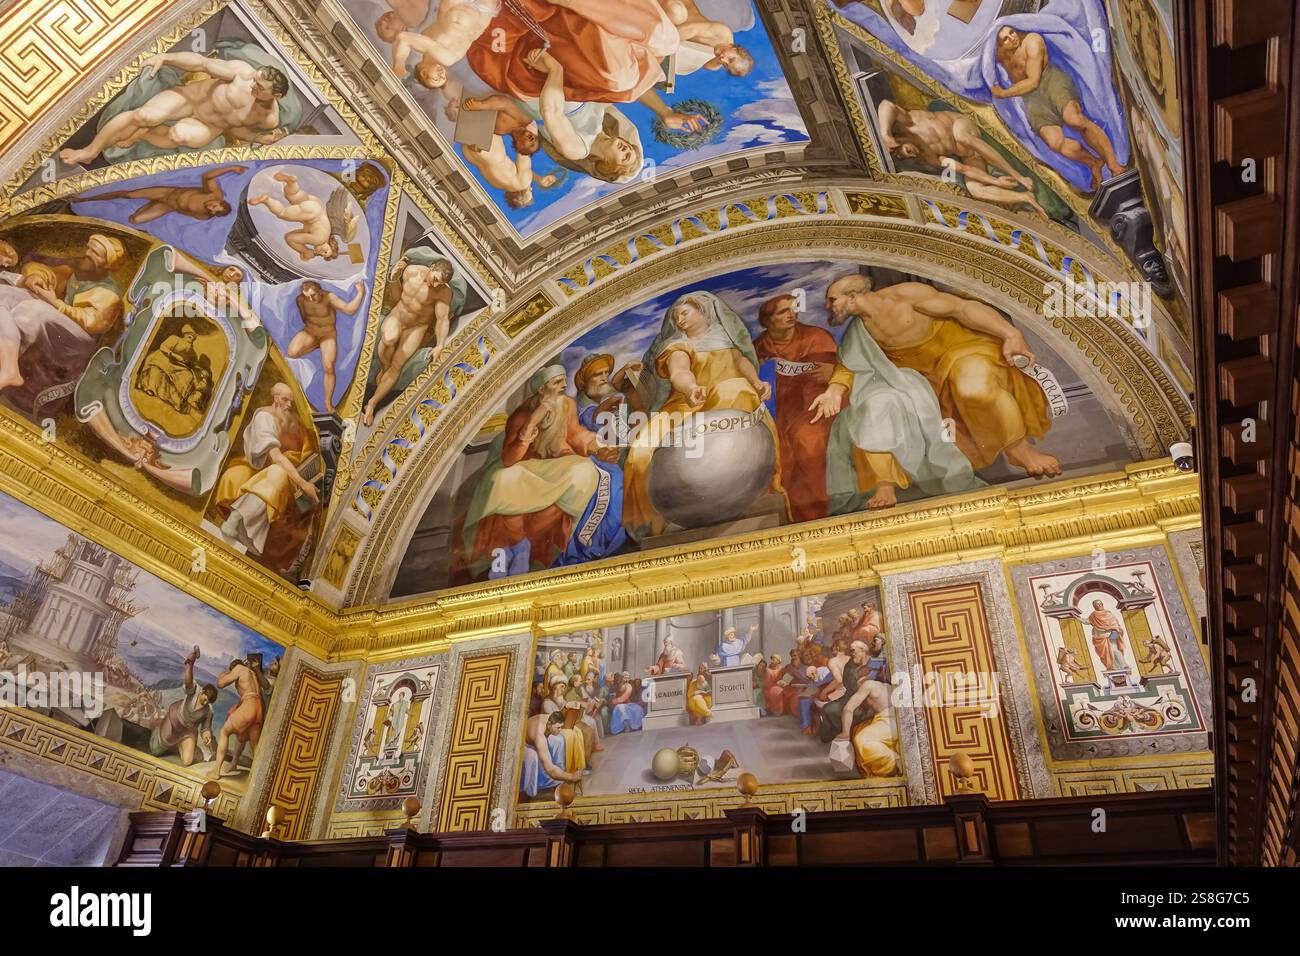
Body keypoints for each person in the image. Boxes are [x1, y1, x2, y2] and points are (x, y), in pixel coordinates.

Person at [812, 274, 1055, 500]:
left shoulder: (906, 296)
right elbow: (852, 363)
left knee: (973, 389)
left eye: (832, 299)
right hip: (920, 378)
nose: (828, 306)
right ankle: (890, 483)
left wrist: (1010, 334)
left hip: (958, 350)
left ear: (853, 297)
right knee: (887, 409)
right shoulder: (860, 330)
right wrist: (833, 391)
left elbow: (963, 309)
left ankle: (1020, 451)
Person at [623, 291, 781, 536]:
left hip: (725, 403)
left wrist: (757, 382)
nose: (679, 320)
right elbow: (679, 371)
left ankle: (744, 486)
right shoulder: (677, 345)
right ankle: (653, 522)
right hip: (684, 406)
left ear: (703, 310)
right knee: (642, 450)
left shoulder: (725, 339)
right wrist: (691, 387)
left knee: (735, 388)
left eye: (684, 313)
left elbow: (741, 362)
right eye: (675, 317)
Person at [457, 365, 622, 578]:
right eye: (557, 382)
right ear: (542, 390)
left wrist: (598, 446)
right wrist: (530, 426)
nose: (564, 386)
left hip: (559, 465)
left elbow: (576, 434)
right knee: (501, 479)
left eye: (564, 380)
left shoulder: (567, 405)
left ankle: (557, 544)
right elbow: (509, 458)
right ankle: (511, 550)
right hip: (526, 465)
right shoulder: (521, 414)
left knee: (585, 470)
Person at [59, 52, 288, 165]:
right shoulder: (243, 74)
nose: (253, 86)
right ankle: (90, 151)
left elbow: (237, 130)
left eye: (260, 87)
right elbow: (201, 62)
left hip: (209, 125)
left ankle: (143, 135)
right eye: (256, 80)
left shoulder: (268, 120)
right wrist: (165, 58)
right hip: (191, 100)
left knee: (180, 133)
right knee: (144, 115)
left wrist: (258, 139)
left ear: (275, 95)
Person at [992, 25, 1127, 190]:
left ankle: (1114, 165)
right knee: (1055, 143)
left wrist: (1004, 93)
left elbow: (1034, 80)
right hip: (1032, 99)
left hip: (1051, 81)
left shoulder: (1032, 40)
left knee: (1075, 119)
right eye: (1005, 38)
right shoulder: (1001, 56)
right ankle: (1094, 163)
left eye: (1011, 32)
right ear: (1000, 45)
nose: (1012, 38)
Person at [0, 234, 124, 402]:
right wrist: (37, 277)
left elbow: (91, 322)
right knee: (4, 294)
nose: (87, 253)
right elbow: (50, 275)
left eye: (95, 253)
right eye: (89, 248)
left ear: (107, 262)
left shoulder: (110, 292)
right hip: (56, 317)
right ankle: (8, 366)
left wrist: (55, 302)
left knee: (32, 310)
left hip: (79, 339)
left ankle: (9, 369)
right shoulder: (77, 270)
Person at [877, 100, 1047, 217]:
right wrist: (995, 181)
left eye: (907, 151)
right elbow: (963, 168)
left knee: (962, 137)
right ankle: (1025, 197)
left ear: (899, 141)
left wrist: (885, 134)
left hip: (961, 125)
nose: (914, 154)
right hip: (969, 154)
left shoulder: (909, 122)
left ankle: (1017, 175)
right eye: (909, 156)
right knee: (975, 189)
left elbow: (886, 104)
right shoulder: (929, 157)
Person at [753, 293, 837, 521]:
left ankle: (816, 513)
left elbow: (828, 373)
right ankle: (790, 515)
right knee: (772, 450)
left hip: (811, 403)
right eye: (783, 312)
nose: (791, 315)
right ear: (768, 320)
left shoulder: (815, 336)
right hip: (777, 408)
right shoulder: (759, 346)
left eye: (792, 309)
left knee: (808, 441)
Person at [215, 382, 320, 563]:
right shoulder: (264, 417)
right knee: (277, 473)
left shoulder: (288, 420)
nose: (288, 405)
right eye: (285, 400)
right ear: (275, 398)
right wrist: (303, 484)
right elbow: (276, 456)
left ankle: (247, 531)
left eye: (291, 402)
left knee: (280, 476)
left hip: (282, 475)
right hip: (260, 469)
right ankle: (237, 517)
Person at [363, 256, 455, 426]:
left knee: (397, 365)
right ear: (432, 267)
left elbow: (442, 319)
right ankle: (384, 367)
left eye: (440, 283)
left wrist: (440, 344)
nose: (435, 285)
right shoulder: (412, 271)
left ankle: (372, 403)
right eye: (435, 279)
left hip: (417, 327)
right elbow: (397, 296)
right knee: (389, 339)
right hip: (399, 315)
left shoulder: (444, 292)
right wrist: (394, 278)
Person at [290, 280, 367, 413]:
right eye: (307, 296)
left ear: (319, 291)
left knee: (329, 367)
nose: (310, 299)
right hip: (310, 331)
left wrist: (361, 292)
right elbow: (304, 317)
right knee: (292, 352)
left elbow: (349, 310)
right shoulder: (300, 300)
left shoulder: (329, 297)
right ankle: (315, 346)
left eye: (313, 295)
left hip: (327, 335)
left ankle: (327, 402)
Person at [388, 0, 499, 88]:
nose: (442, 75)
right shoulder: (447, 59)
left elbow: (402, 38)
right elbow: (405, 39)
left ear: (424, 73)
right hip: (481, 12)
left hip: (457, 4)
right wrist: (399, 66)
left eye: (436, 79)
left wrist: (398, 66)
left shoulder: (424, 44)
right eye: (443, 78)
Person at [81, 166, 247, 224]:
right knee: (129, 195)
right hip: (167, 192)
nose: (209, 206)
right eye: (213, 205)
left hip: (167, 205)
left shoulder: (204, 216)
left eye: (212, 210)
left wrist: (158, 206)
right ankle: (87, 198)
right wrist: (231, 168)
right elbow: (207, 176)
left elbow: (182, 210)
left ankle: (147, 205)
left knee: (135, 220)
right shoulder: (214, 193)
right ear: (219, 202)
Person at [248, 173, 352, 262]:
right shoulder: (319, 239)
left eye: (321, 255)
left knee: (293, 195)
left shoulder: (323, 233)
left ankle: (291, 182)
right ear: (331, 244)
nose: (321, 252)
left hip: (316, 204)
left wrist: (310, 251)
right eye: (326, 251)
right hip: (312, 213)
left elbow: (292, 234)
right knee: (282, 213)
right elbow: (290, 239)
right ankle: (266, 200)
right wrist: (304, 251)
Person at [148, 647, 216, 767]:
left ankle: (180, 744)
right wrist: (189, 666)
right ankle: (159, 730)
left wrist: (207, 736)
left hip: (188, 732)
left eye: (208, 702)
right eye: (205, 699)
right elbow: (188, 682)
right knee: (155, 750)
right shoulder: (195, 690)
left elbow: (205, 727)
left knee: (187, 761)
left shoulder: (208, 710)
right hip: (175, 722)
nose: (205, 703)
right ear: (203, 692)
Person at [207, 655, 266, 779]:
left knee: (224, 731)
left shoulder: (239, 669)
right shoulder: (252, 674)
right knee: (247, 740)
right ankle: (246, 770)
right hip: (258, 708)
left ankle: (216, 771)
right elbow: (253, 694)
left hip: (249, 705)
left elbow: (220, 683)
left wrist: (226, 672)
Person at [658, 0, 754, 76]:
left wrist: (720, 62)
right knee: (677, 13)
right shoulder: (723, 32)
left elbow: (708, 66)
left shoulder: (719, 58)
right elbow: (690, 29)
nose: (723, 60)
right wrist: (664, 44)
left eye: (726, 65)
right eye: (731, 59)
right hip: (676, 7)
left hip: (669, 25)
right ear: (735, 49)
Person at [520, 711, 585, 797]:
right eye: (558, 727)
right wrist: (571, 777)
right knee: (537, 757)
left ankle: (561, 774)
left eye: (561, 727)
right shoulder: (539, 736)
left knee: (560, 740)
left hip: (535, 733)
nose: (560, 730)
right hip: (523, 743)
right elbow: (550, 770)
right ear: (549, 724)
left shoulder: (550, 718)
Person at [1087, 598, 1128, 671]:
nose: (1099, 605)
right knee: (1108, 653)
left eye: (1100, 604)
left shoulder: (1108, 613)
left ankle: (1124, 665)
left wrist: (1114, 631)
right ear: (1094, 606)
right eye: (1097, 604)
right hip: (1100, 637)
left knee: (1114, 650)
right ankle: (1114, 667)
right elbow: (1088, 621)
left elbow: (1115, 623)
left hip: (1113, 633)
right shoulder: (1093, 615)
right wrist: (1078, 618)